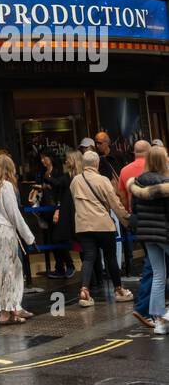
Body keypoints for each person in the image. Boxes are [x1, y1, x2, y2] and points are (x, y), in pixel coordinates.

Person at [0, 153, 35, 325]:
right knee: (12, 271)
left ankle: (7, 311)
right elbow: (14, 214)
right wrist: (28, 236)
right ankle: (12, 309)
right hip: (5, 231)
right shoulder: (7, 186)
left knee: (0, 273)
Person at [71, 149, 132, 308]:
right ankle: (118, 290)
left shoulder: (75, 181)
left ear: (84, 164)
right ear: (97, 164)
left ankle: (84, 291)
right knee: (110, 257)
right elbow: (114, 203)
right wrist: (126, 220)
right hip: (103, 225)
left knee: (89, 257)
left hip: (84, 226)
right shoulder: (103, 180)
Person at [128, 145, 169, 336]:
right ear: (162, 160)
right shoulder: (166, 183)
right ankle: (165, 316)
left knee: (159, 275)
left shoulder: (137, 182)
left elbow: (134, 210)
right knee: (160, 275)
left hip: (147, 235)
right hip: (165, 233)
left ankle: (159, 321)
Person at [119, 139, 154, 329]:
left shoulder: (125, 172)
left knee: (153, 265)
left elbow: (122, 195)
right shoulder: (157, 169)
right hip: (158, 224)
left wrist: (129, 213)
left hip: (139, 221)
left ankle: (146, 308)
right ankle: (145, 308)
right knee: (154, 267)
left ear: (134, 152)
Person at [51, 150, 81, 278]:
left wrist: (48, 175)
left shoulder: (71, 177)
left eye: (68, 159)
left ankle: (91, 276)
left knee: (81, 243)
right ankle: (71, 266)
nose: (66, 161)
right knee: (62, 238)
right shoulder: (73, 176)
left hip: (73, 212)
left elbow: (56, 183)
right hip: (73, 212)